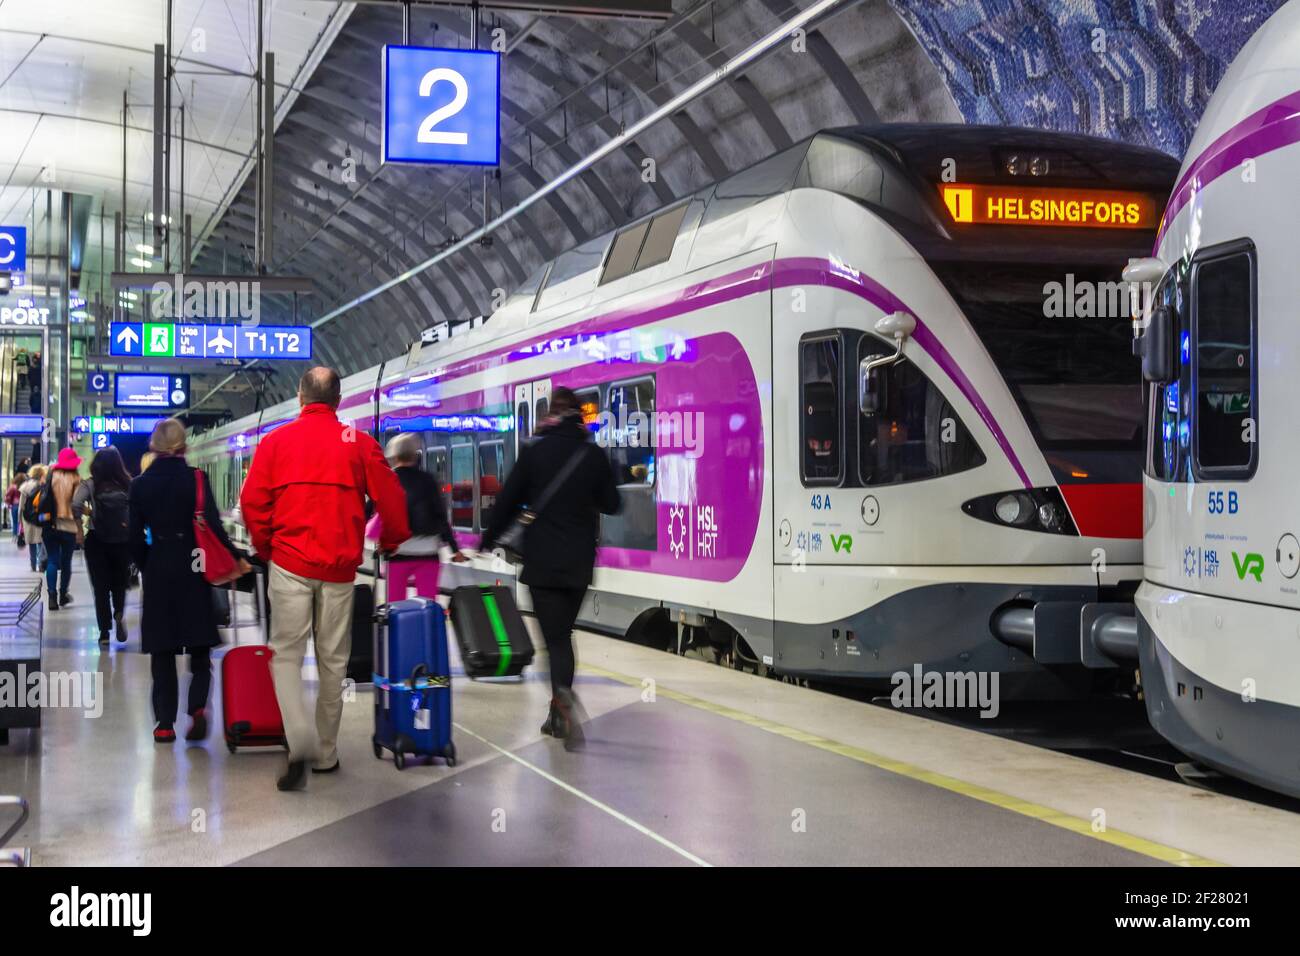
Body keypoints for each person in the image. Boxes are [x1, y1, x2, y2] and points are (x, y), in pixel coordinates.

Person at [240, 367, 410, 791]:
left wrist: (267, 548)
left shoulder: (276, 441)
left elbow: (252, 502)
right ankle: (326, 753)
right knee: (334, 663)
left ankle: (298, 741)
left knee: (286, 656)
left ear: (300, 397)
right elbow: (392, 496)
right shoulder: (357, 443)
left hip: (289, 565)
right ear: (338, 401)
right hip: (338, 569)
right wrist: (391, 538)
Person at [479, 386, 621, 750]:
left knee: (553, 639)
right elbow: (612, 503)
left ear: (549, 413)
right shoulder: (592, 455)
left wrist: (488, 538)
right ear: (579, 415)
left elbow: (507, 500)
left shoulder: (535, 452)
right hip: (578, 565)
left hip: (541, 564)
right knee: (564, 636)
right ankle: (558, 711)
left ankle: (562, 700)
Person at [130, 419, 248, 743]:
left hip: (158, 565)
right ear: (184, 447)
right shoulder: (196, 478)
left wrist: (147, 563)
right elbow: (212, 524)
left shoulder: (140, 485)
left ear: (153, 447)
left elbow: (134, 538)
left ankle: (165, 724)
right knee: (199, 647)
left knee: (162, 651)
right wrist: (235, 556)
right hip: (194, 563)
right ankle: (197, 708)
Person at [378, 433, 467, 602]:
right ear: (415, 455)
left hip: (397, 553)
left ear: (394, 456)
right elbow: (441, 517)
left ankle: (400, 629)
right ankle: (425, 628)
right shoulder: (428, 480)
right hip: (428, 553)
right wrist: (455, 550)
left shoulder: (386, 479)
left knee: (395, 605)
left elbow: (370, 512)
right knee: (427, 604)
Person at [75, 446, 134, 645]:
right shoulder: (127, 484)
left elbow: (75, 504)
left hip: (96, 539)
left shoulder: (90, 484)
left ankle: (104, 633)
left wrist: (84, 521)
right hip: (122, 540)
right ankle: (118, 612)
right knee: (119, 583)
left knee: (100, 587)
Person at [39, 449, 84, 611]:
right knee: (66, 563)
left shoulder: (50, 476)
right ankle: (63, 594)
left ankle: (51, 597)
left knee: (52, 560)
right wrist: (81, 526)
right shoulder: (76, 479)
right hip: (69, 526)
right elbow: (78, 506)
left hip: (50, 524)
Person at [18, 464, 46, 573]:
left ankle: (33, 565)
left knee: (31, 543)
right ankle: (41, 564)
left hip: (28, 518)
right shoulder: (43, 485)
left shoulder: (25, 486)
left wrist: (20, 521)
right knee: (40, 541)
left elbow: (21, 507)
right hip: (40, 517)